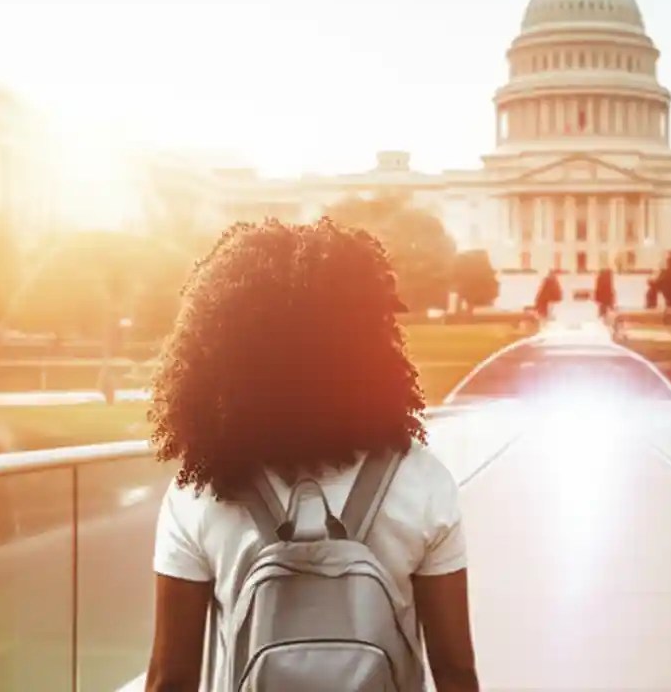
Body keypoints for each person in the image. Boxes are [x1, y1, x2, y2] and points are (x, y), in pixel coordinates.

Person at [146, 220, 479, 691]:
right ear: (366, 345)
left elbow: (171, 679)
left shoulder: (199, 492)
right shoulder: (423, 481)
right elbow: (455, 672)